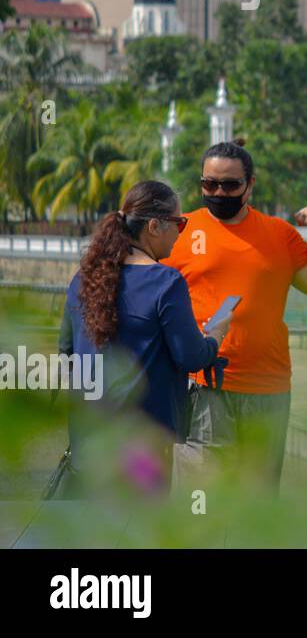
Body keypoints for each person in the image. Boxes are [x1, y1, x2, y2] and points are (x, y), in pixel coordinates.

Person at [162, 138, 307, 493]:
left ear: (250, 185)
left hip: (267, 386)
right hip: (203, 386)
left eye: (230, 185)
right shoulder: (181, 231)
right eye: (209, 184)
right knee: (202, 498)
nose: (218, 192)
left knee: (257, 496)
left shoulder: (278, 234)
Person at [59, 180, 230, 497]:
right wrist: (215, 335)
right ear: (154, 225)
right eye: (180, 223)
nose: (181, 232)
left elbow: (67, 352)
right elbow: (191, 356)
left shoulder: (83, 278)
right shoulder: (166, 282)